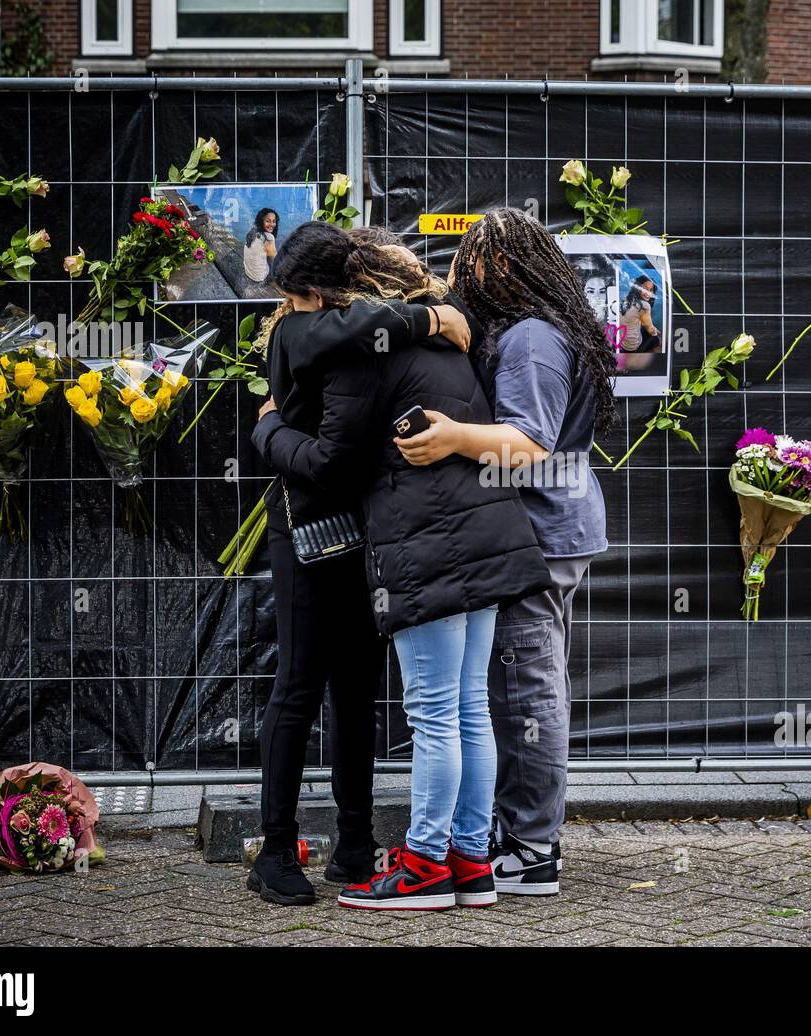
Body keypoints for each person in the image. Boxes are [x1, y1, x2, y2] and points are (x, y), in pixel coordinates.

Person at [252, 221, 552, 910]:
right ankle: (470, 861)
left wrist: (267, 426)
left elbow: (333, 459)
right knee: (469, 709)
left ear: (333, 296)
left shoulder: (369, 352)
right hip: (483, 536)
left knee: (436, 714)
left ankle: (420, 868)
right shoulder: (447, 342)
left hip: (426, 542)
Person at [394, 207, 614, 895]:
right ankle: (521, 837)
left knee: (526, 689)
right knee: (527, 683)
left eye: (469, 259)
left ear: (500, 267)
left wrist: (452, 438)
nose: (458, 271)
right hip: (552, 528)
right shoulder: (540, 329)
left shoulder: (528, 340)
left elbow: (527, 443)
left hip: (540, 534)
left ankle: (530, 849)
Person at [618, 275, 661, 352]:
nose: (648, 293)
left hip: (622, 343)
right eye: (645, 288)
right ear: (638, 288)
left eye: (651, 290)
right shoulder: (645, 306)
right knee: (656, 339)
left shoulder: (626, 300)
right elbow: (651, 330)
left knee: (643, 325)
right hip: (632, 347)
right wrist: (655, 331)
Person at [243, 208, 279, 283]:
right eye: (268, 221)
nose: (272, 224)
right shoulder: (269, 238)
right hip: (260, 278)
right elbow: (276, 260)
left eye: (274, 221)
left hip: (248, 273)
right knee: (274, 260)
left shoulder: (252, 232)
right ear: (261, 221)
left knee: (265, 252)